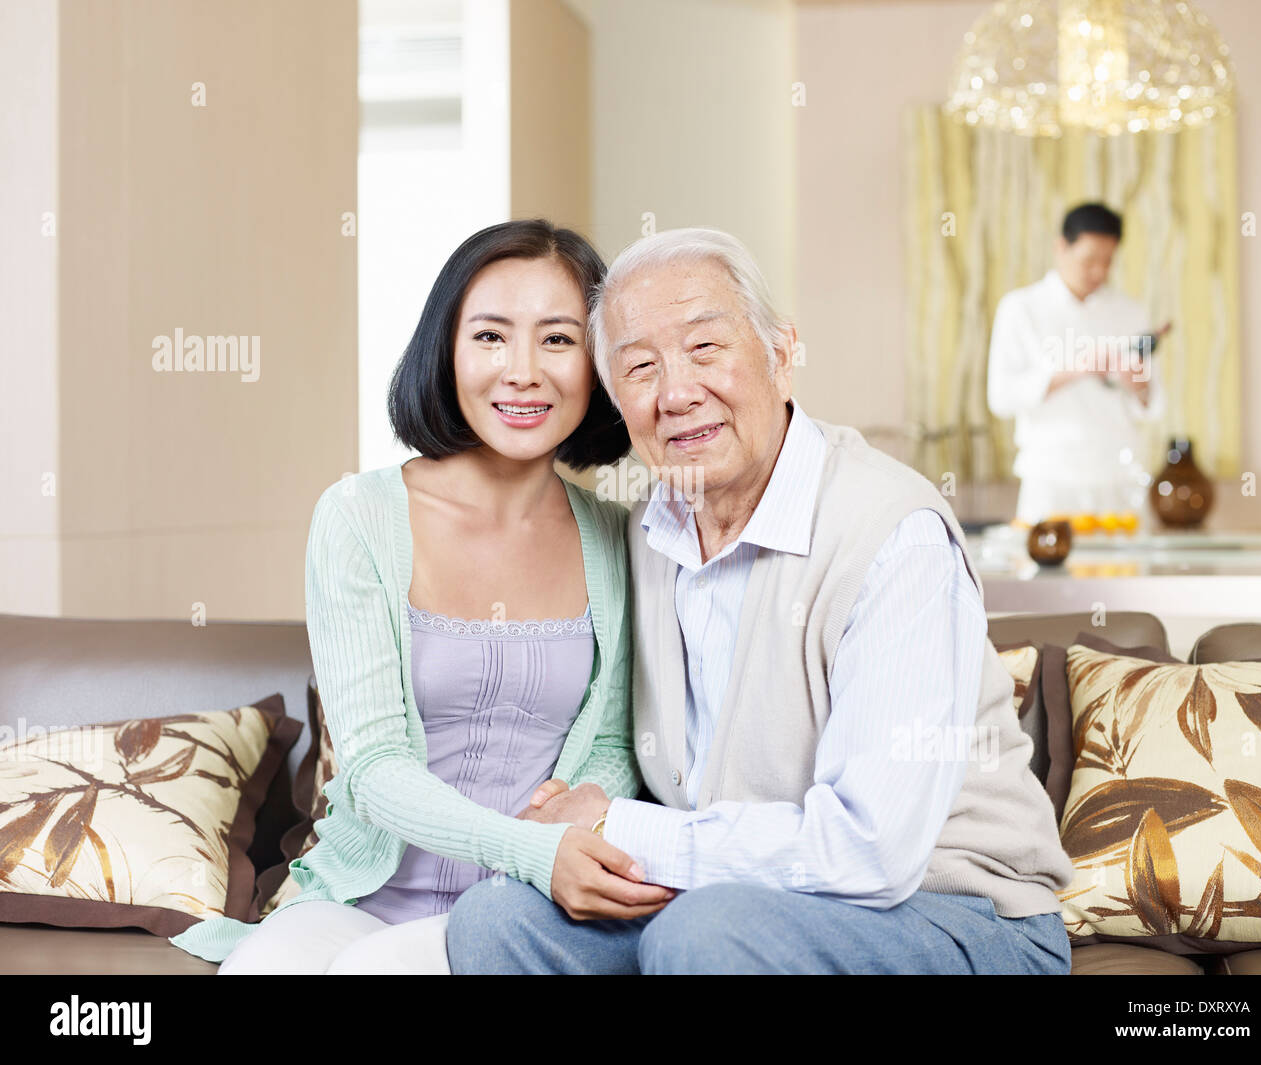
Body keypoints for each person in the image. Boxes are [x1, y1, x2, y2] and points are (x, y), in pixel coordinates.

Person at [446, 227, 1076, 975]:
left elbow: (873, 851)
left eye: (705, 350)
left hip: (958, 912)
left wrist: (620, 823)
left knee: (708, 935)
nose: (677, 393)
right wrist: (563, 822)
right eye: (640, 367)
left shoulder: (891, 532)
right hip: (730, 898)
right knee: (498, 920)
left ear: (781, 356)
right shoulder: (649, 534)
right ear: (618, 402)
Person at [167, 219, 672, 974]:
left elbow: (611, 741)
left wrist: (574, 821)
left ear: (597, 363)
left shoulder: (618, 535)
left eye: (558, 340)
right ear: (447, 350)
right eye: (491, 336)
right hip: (359, 895)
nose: (523, 371)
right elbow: (371, 766)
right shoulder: (357, 516)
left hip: (522, 906)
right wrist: (534, 842)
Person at [986, 202, 1168, 525]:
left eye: (1107, 262)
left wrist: (1136, 382)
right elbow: (1001, 398)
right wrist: (1077, 369)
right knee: (1048, 571)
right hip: (1051, 478)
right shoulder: (1021, 308)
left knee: (1126, 573)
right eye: (1089, 261)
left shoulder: (1130, 312)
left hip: (1118, 477)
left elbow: (1152, 401)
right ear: (1061, 248)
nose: (1099, 272)